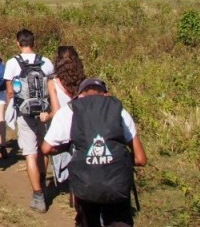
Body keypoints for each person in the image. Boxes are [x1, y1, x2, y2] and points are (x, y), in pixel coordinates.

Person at [41, 78, 147, 226]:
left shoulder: (69, 111)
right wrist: (113, 158)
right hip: (116, 183)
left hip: (85, 183)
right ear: (105, 94)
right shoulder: (120, 112)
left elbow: (46, 148)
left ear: (80, 95)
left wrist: (70, 149)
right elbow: (141, 159)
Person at [3, 28, 55, 213]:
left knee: (30, 153)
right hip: (45, 113)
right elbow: (52, 88)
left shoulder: (13, 63)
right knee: (44, 150)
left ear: (18, 43)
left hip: (25, 114)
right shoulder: (46, 62)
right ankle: (43, 183)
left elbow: (10, 90)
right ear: (34, 42)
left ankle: (38, 195)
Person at [47, 46, 86, 190]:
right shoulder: (83, 81)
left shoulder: (53, 83)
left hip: (64, 127)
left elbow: (56, 111)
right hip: (81, 124)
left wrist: (47, 117)